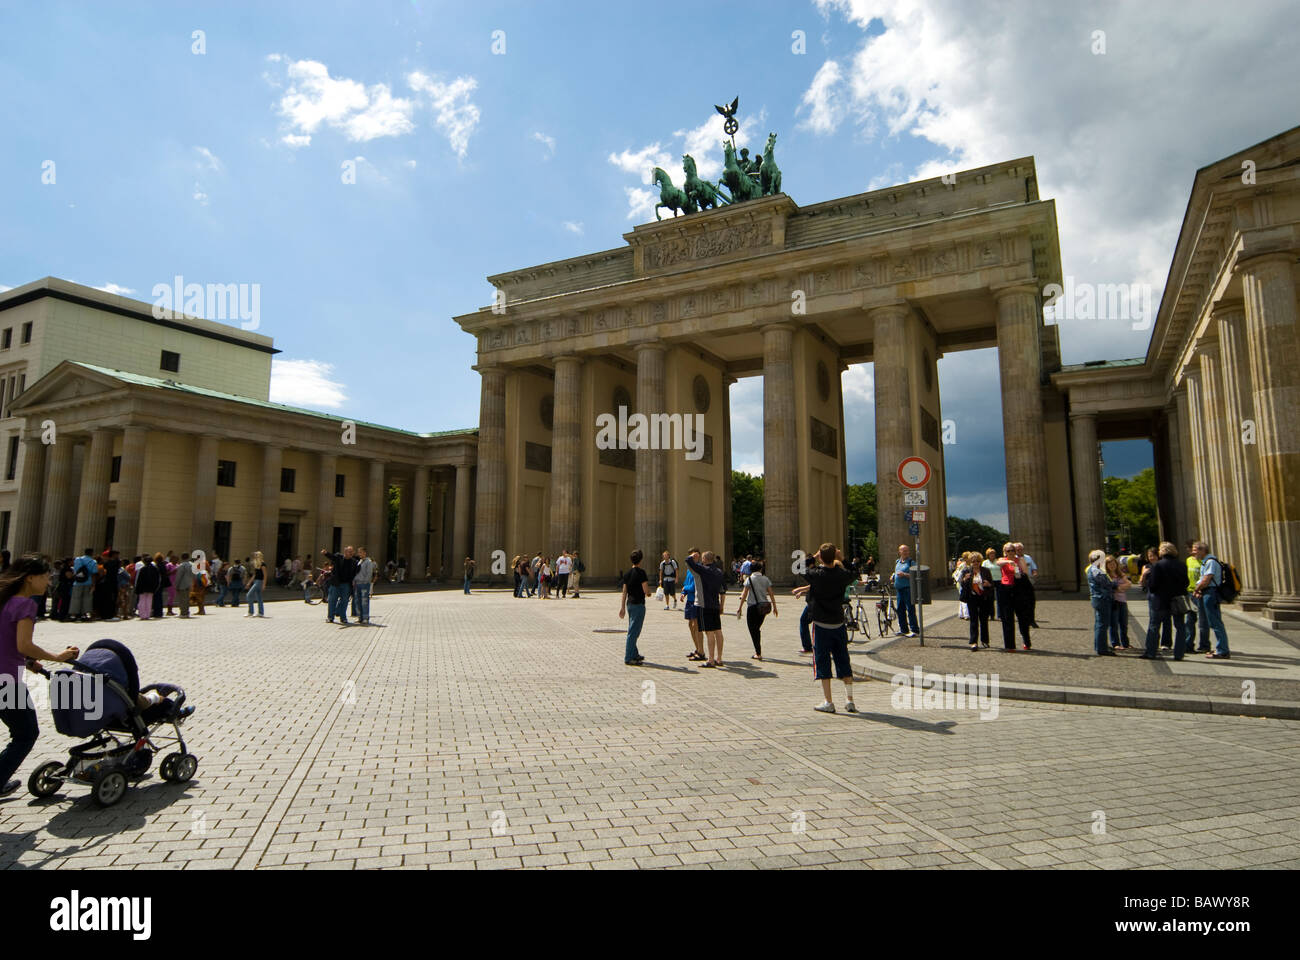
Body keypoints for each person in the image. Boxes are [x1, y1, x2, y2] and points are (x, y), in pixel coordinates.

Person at [0, 555, 80, 796]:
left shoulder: (3, 601)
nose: (48, 581)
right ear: (30, 578)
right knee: (25, 734)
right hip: (6, 683)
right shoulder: (25, 605)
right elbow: (23, 644)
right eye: (45, 576)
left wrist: (28, 662)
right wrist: (57, 657)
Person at [791, 543, 857, 714]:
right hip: (838, 622)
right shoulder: (842, 575)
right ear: (835, 556)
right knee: (843, 659)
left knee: (822, 661)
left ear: (820, 557)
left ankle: (828, 701)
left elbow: (799, 567)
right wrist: (843, 559)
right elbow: (855, 572)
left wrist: (813, 556)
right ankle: (849, 700)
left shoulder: (816, 575)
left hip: (821, 625)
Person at [1142, 542, 1188, 660]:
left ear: (1162, 552)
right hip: (1177, 600)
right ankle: (1179, 654)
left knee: (1154, 625)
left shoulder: (1158, 565)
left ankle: (1151, 652)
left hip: (1160, 600)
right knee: (1180, 627)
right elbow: (1186, 583)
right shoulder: (1182, 565)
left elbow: (1152, 584)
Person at [685, 550, 726, 668]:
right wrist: (722, 605)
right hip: (715, 604)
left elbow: (688, 561)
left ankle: (710, 660)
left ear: (704, 559)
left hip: (704, 605)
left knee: (709, 632)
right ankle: (719, 658)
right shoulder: (719, 571)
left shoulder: (703, 570)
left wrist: (692, 556)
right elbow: (723, 589)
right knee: (718, 631)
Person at [1191, 541, 1231, 659]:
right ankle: (1221, 648)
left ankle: (1222, 650)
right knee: (1214, 622)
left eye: (1195, 550)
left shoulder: (1211, 562)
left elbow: (1207, 579)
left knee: (1215, 622)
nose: (1194, 553)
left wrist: (1197, 589)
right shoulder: (1207, 562)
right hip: (1207, 592)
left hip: (1210, 592)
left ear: (1203, 550)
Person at [736, 559, 776, 660]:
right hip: (764, 607)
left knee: (752, 629)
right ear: (760, 569)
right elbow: (771, 593)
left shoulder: (749, 580)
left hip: (752, 607)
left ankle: (758, 653)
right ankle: (758, 651)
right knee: (756, 628)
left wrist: (740, 607)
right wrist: (775, 607)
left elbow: (744, 594)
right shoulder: (765, 579)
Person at [996, 542, 1033, 650]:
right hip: (1005, 589)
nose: (1011, 552)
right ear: (1005, 552)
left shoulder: (1020, 560)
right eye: (1008, 551)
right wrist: (1009, 561)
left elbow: (1026, 573)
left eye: (1013, 550)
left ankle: (1026, 641)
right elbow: (998, 563)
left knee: (1022, 617)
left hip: (1018, 589)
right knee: (1007, 618)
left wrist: (1019, 570)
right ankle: (1010, 645)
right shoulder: (1002, 560)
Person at [618, 549, 650, 665]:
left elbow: (624, 591)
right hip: (639, 605)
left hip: (630, 604)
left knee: (633, 629)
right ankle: (628, 657)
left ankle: (634, 653)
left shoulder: (627, 574)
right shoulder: (641, 573)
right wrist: (649, 593)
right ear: (640, 560)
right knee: (634, 631)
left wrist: (622, 607)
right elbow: (646, 590)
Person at [1139, 546, 1171, 650]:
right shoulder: (1146, 567)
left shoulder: (1163, 565)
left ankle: (1166, 643)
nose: (1151, 558)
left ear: (1158, 556)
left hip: (1164, 595)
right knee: (1154, 620)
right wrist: (1143, 575)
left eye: (1153, 555)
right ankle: (1154, 643)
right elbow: (1142, 583)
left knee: (1166, 619)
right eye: (1149, 556)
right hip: (1152, 595)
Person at [959, 551, 993, 649]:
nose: (975, 563)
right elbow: (962, 584)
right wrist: (965, 580)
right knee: (973, 620)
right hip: (972, 598)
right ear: (970, 562)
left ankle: (985, 640)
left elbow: (992, 585)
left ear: (980, 561)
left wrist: (988, 584)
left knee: (984, 620)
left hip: (984, 598)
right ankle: (973, 642)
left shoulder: (986, 571)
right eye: (973, 561)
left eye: (977, 561)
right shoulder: (966, 571)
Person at [1086, 549, 1115, 657]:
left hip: (1097, 598)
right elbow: (1106, 583)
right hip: (1102, 598)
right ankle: (1102, 648)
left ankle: (1099, 645)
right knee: (1102, 624)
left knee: (1099, 623)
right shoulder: (1096, 570)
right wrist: (1115, 584)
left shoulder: (1092, 569)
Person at [681, 548, 705, 662]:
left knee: (696, 626)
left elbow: (695, 587)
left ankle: (701, 650)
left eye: (695, 556)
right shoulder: (688, 570)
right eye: (692, 556)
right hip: (689, 600)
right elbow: (687, 583)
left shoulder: (699, 569)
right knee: (691, 625)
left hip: (696, 600)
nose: (694, 558)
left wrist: (685, 588)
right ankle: (697, 648)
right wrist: (683, 592)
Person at [893, 544, 920, 638]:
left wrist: (904, 574)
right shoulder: (898, 562)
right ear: (899, 552)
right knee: (900, 610)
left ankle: (914, 629)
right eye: (904, 551)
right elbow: (896, 572)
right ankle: (903, 629)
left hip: (908, 589)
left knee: (910, 609)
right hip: (899, 589)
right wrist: (893, 576)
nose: (906, 552)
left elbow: (916, 575)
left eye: (907, 551)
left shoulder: (911, 562)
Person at [1105, 555, 1132, 649]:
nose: (1112, 566)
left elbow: (1129, 584)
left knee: (1124, 623)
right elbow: (1109, 588)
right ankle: (1115, 643)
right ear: (1106, 565)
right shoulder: (1106, 576)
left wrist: (1119, 588)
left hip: (1122, 600)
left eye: (1113, 564)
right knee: (1114, 624)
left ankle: (1126, 643)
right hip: (1113, 602)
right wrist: (1120, 587)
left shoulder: (1120, 574)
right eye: (1109, 564)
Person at [325, 547, 357, 625]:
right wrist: (326, 553)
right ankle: (330, 617)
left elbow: (355, 572)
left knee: (344, 601)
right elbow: (332, 557)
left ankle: (343, 618)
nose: (350, 553)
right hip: (336, 583)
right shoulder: (338, 557)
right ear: (345, 552)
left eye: (351, 552)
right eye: (349, 551)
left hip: (346, 584)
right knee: (332, 600)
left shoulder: (354, 562)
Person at [1184, 540, 1204, 651]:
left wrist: (1200, 589)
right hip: (1190, 592)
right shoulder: (1188, 560)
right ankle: (1188, 644)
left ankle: (1204, 644)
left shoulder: (1203, 562)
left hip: (1200, 593)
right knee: (1190, 619)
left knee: (1202, 621)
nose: (1191, 551)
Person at [1015, 542, 1040, 628]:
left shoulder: (1028, 558)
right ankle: (1023, 619)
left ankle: (1032, 620)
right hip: (1017, 583)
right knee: (1021, 602)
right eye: (1017, 549)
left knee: (1031, 601)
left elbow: (1034, 568)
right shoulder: (1013, 559)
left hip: (1028, 581)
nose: (1019, 551)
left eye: (1020, 549)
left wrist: (1035, 573)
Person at [68, 547, 97, 621]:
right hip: (88, 582)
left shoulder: (78, 559)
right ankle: (85, 613)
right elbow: (94, 574)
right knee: (87, 598)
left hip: (77, 582)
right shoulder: (93, 562)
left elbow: (75, 570)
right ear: (91, 553)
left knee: (75, 598)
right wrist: (93, 584)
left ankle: (74, 614)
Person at [352, 547, 376, 624]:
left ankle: (365, 617)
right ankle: (360, 617)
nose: (359, 554)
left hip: (364, 584)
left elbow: (369, 574)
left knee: (364, 601)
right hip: (357, 584)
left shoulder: (368, 562)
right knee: (357, 601)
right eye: (359, 552)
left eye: (361, 552)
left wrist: (365, 582)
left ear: (365, 553)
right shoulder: (359, 561)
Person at [133, 554, 158, 620]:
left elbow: (138, 579)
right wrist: (155, 587)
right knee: (149, 601)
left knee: (142, 601)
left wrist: (137, 588)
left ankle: (142, 614)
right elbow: (157, 579)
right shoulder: (155, 569)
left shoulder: (142, 569)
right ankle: (147, 614)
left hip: (142, 588)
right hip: (151, 588)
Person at [245, 551, 267, 617]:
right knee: (259, 597)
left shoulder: (263, 565)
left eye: (256, 555)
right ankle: (261, 613)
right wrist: (249, 583)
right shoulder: (257, 565)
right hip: (256, 581)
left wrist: (264, 584)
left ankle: (251, 612)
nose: (254, 557)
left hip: (259, 582)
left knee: (249, 595)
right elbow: (254, 575)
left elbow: (265, 575)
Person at [174, 552, 194, 618]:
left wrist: (176, 585)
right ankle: (187, 611)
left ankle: (183, 612)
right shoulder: (192, 565)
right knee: (187, 599)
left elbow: (178, 577)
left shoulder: (182, 566)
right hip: (189, 584)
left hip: (182, 585)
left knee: (182, 599)